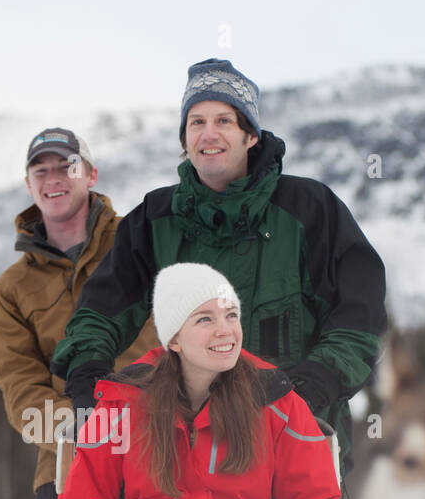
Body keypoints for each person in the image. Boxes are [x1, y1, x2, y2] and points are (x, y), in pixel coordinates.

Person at [50, 59, 387, 476]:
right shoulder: (155, 220)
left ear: (250, 134)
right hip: (184, 457)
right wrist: (87, 380)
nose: (208, 134)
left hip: (295, 450)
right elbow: (100, 312)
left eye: (224, 120)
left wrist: (313, 385)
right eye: (196, 122)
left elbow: (360, 318)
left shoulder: (311, 210)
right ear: (184, 138)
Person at [55, 263, 341, 499]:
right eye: (205, 319)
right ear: (173, 338)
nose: (225, 330)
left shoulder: (275, 402)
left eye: (231, 315)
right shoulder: (122, 406)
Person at [0, 129, 158, 499]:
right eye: (40, 170)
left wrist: (132, 419)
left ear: (91, 174)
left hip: (154, 458)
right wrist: (78, 427)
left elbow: (172, 336)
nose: (53, 178)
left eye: (66, 166)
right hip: (64, 472)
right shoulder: (12, 288)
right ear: (28, 185)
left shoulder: (138, 245)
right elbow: (19, 385)